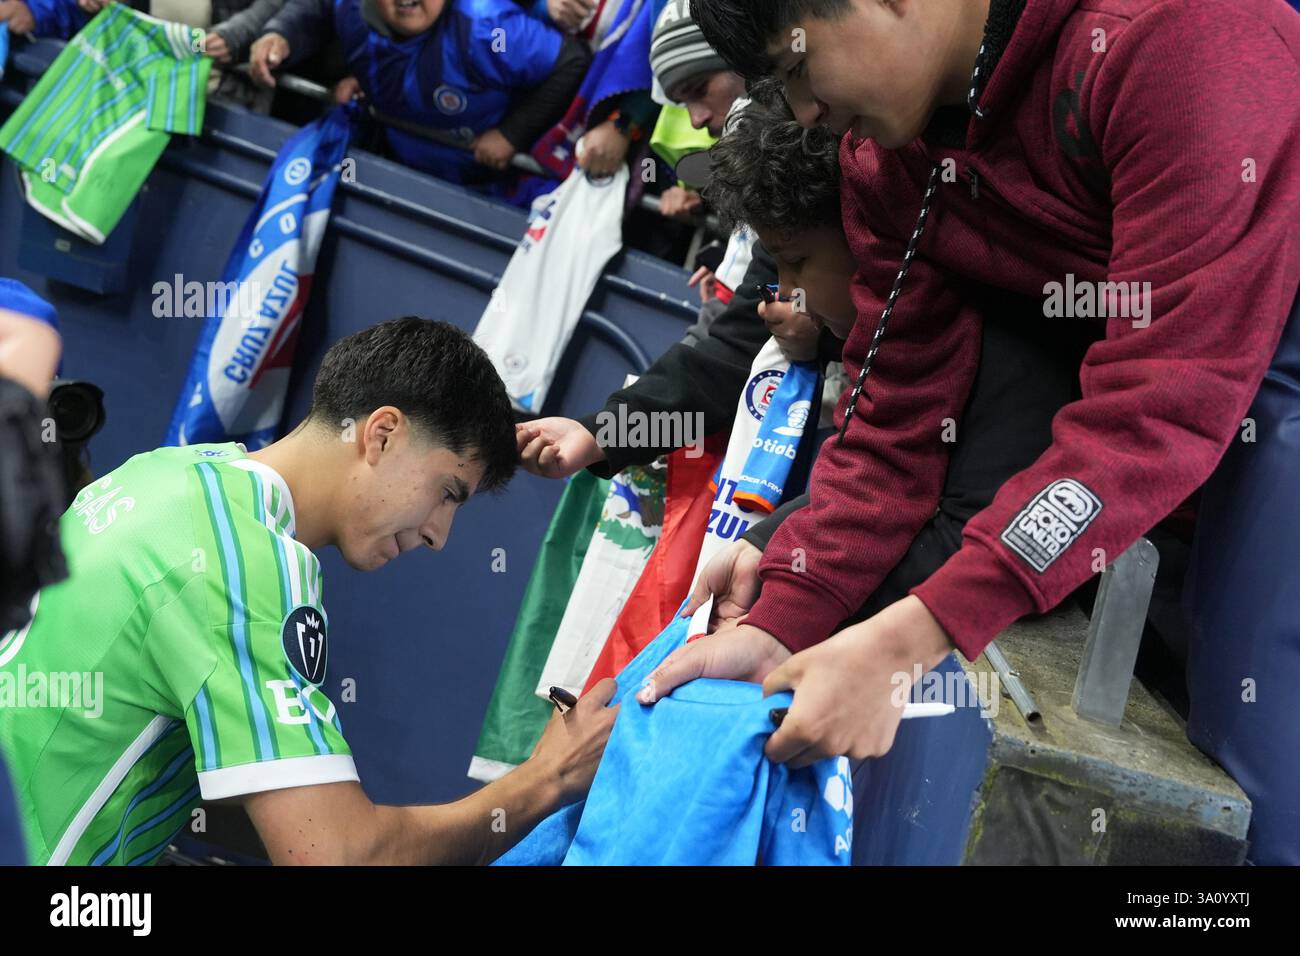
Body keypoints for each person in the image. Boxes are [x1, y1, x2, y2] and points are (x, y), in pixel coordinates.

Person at [649, 0, 1300, 860]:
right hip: (1152, 401)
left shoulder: (1178, 33)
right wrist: (787, 613)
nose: (805, 113)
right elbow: (894, 417)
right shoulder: (886, 157)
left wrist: (914, 636)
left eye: (798, 69)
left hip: (1258, 385)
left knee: (1257, 797)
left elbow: (1162, 400)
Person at [0, 317, 617, 864]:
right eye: (449, 493)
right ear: (382, 434)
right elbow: (341, 858)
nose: (439, 535)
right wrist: (546, 778)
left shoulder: (170, 470)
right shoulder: (246, 562)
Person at [247, 0, 590, 198]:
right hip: (387, 175)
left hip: (484, 192)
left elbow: (571, 62)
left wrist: (512, 134)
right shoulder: (349, 8)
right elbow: (315, 9)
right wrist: (280, 35)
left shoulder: (489, 28)